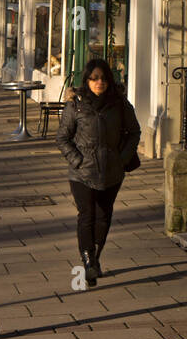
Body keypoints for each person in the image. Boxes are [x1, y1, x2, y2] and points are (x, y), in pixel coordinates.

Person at [55, 59, 141, 286]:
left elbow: (134, 132)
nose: (99, 82)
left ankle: (94, 259)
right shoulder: (76, 105)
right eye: (94, 78)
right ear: (87, 80)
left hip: (111, 170)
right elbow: (62, 137)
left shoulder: (120, 103)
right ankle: (88, 263)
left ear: (108, 80)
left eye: (103, 78)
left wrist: (121, 159)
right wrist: (77, 160)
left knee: (104, 216)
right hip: (82, 172)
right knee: (86, 215)